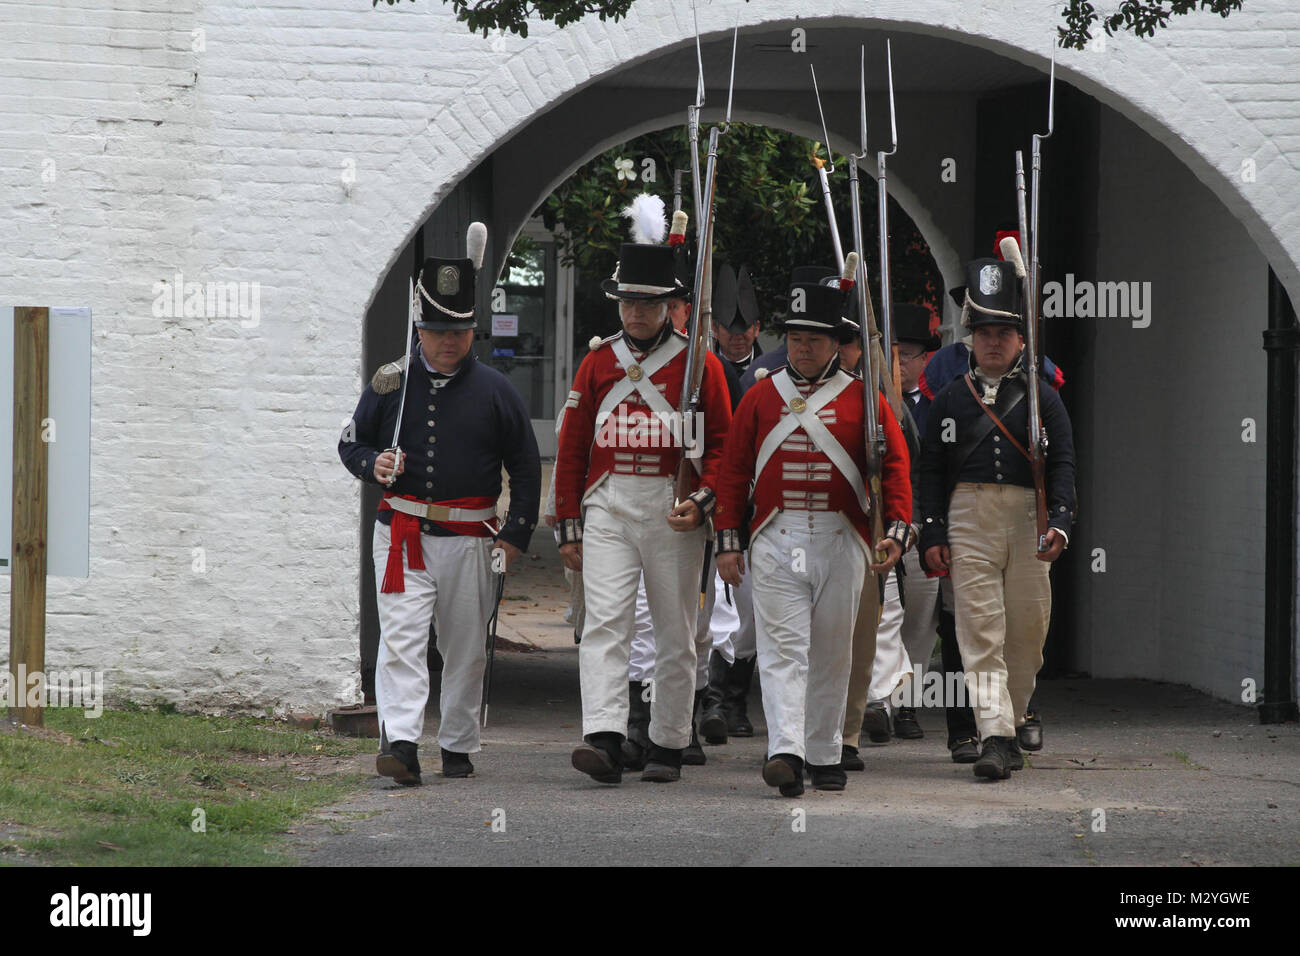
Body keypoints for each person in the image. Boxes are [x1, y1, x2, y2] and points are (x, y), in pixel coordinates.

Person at [339, 223, 540, 785]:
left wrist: (514, 535)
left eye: (457, 331)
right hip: (401, 533)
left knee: (465, 649)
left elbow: (524, 467)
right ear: (419, 329)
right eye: (435, 331)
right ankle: (401, 745)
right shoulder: (390, 385)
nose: (447, 341)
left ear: (472, 331)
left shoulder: (497, 392)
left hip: (471, 538)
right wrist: (372, 464)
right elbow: (350, 442)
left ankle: (456, 741)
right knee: (401, 641)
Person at [555, 194, 732, 785]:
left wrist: (703, 500)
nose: (635, 311)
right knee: (606, 624)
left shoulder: (698, 365)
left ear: (668, 305)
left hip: (670, 503)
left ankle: (667, 742)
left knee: (676, 631)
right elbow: (574, 447)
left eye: (648, 301)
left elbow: (725, 449)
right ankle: (604, 737)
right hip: (607, 503)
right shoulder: (597, 363)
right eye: (628, 300)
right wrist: (567, 524)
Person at [714, 277, 912, 797]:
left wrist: (896, 528)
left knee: (830, 652)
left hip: (841, 535)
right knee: (783, 650)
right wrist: (728, 540)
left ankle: (824, 752)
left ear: (835, 345)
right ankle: (785, 749)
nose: (803, 348)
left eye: (815, 340)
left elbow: (894, 467)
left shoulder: (865, 399)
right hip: (776, 535)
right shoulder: (760, 395)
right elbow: (733, 472)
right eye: (797, 338)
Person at [918, 257, 1076, 780]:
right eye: (984, 332)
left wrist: (1060, 520)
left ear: (1020, 338)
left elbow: (1064, 464)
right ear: (971, 338)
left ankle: (1009, 718)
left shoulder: (1043, 399)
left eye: (1003, 332)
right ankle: (995, 734)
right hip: (969, 516)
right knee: (979, 632)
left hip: (1028, 519)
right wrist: (934, 532)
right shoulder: (948, 401)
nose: (992, 342)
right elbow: (932, 472)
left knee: (1028, 635)